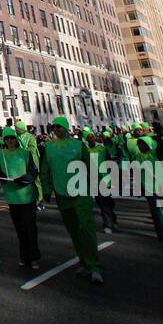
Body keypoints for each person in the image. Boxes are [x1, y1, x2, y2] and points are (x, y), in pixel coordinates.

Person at [39, 117, 104, 283]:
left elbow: (90, 166)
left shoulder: (78, 145)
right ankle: (83, 261)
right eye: (54, 127)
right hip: (62, 193)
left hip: (81, 191)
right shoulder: (49, 147)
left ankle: (94, 266)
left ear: (67, 128)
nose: (57, 130)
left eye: (60, 127)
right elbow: (45, 170)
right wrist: (46, 190)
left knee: (86, 229)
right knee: (73, 230)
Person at [0, 124, 41, 270]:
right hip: (12, 196)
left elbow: (33, 172)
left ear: (16, 139)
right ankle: (24, 256)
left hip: (27, 195)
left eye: (12, 138)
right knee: (20, 228)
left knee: (30, 227)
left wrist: (25, 178)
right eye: (7, 138)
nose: (10, 140)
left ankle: (34, 257)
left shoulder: (25, 153)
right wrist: (1, 177)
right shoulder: (0, 154)